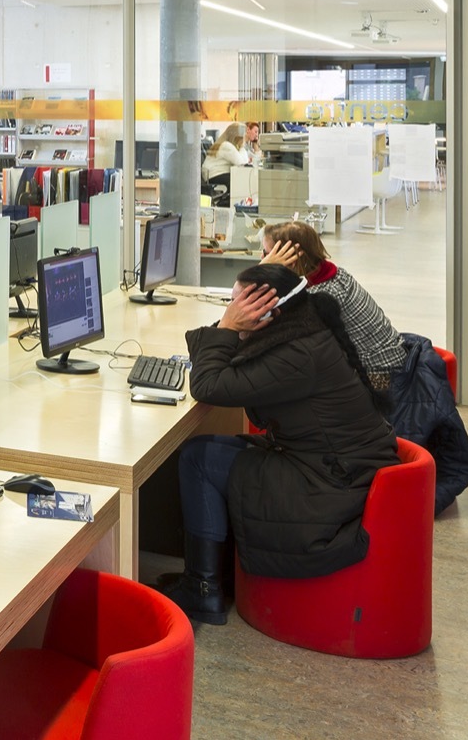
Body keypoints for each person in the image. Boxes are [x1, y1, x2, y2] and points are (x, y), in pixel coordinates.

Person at [162, 263, 397, 625]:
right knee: (208, 448)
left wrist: (227, 329)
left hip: (330, 489)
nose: (232, 311)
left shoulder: (297, 355)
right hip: (337, 469)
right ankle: (206, 574)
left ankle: (203, 589)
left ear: (268, 311)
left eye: (238, 304)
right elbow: (227, 367)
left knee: (199, 458)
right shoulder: (301, 331)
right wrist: (233, 330)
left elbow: (208, 385)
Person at [258, 221, 404, 386]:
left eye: (267, 254)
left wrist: (263, 272)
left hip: (380, 377)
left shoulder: (318, 297)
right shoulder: (334, 274)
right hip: (390, 364)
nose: (262, 259)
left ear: (291, 259)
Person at [201, 124, 248, 205]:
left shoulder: (224, 144)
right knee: (239, 181)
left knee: (238, 179)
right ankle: (232, 204)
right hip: (214, 175)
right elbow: (242, 163)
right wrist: (242, 147)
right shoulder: (226, 146)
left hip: (214, 174)